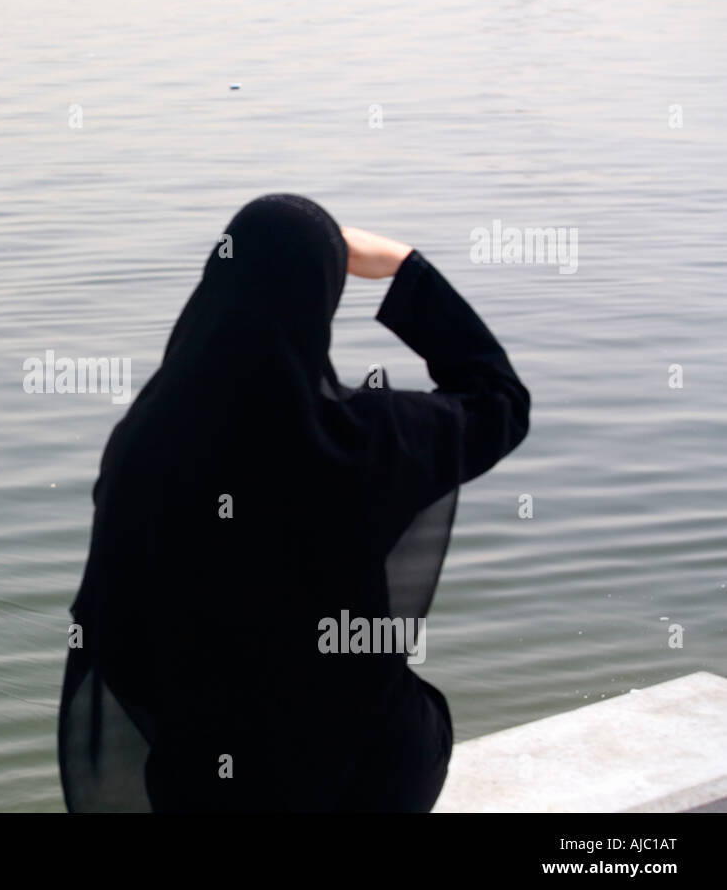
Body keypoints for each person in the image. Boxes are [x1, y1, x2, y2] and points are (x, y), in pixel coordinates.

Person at [58, 194, 530, 812]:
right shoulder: (369, 440)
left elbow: (116, 635)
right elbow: (500, 402)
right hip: (363, 780)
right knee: (410, 713)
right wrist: (406, 268)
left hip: (203, 787)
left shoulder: (142, 445)